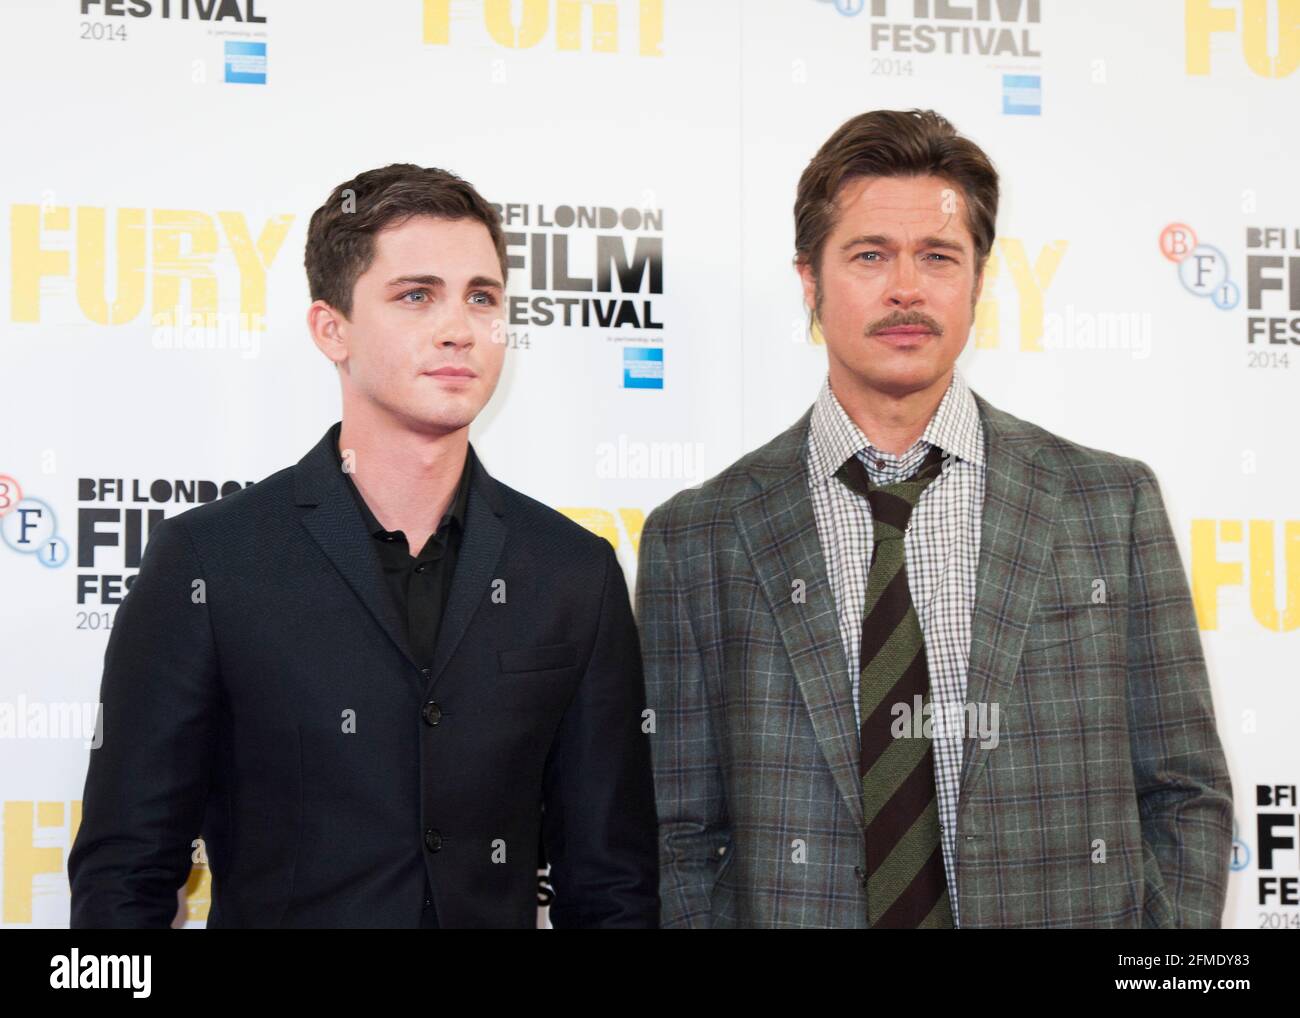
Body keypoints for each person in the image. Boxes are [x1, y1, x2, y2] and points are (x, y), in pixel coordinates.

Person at [637, 110, 1233, 928]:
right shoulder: (698, 536)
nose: (906, 288)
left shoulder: (1108, 504)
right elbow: (679, 832)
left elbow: (1185, 790)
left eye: (938, 257)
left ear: (979, 282)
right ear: (809, 280)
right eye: (870, 255)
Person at [68, 163, 658, 929]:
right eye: (416, 296)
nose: (459, 327)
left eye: (482, 297)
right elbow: (126, 873)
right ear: (331, 328)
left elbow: (610, 882)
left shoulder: (572, 571)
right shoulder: (211, 562)